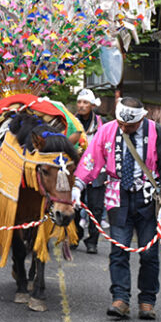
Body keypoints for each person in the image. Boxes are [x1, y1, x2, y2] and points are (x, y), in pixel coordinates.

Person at [74, 96, 161, 320]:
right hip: (117, 197)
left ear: (142, 118)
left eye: (130, 126)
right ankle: (120, 298)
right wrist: (78, 185)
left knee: (149, 253)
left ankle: (147, 300)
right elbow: (91, 158)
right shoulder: (107, 131)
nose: (124, 128)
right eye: (121, 124)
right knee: (119, 250)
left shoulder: (158, 133)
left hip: (148, 198)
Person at [73, 88, 106, 254]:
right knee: (74, 206)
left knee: (96, 208)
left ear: (92, 105)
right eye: (79, 102)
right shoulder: (71, 122)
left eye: (85, 102)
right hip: (76, 171)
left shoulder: (102, 123)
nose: (81, 105)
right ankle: (75, 234)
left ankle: (92, 240)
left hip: (97, 171)